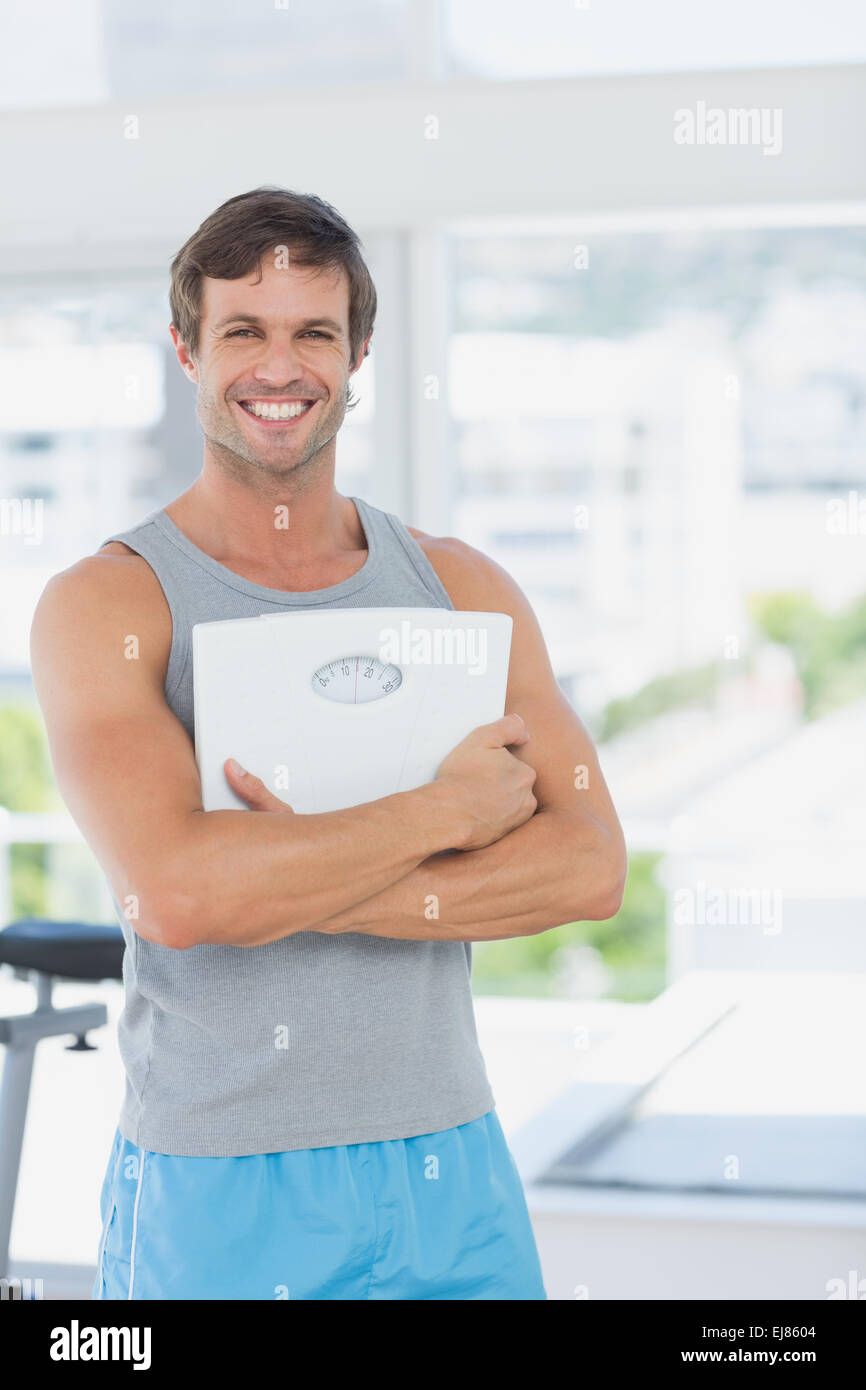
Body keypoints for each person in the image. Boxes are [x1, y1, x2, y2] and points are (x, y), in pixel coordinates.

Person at [30, 187, 627, 1301]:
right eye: (241, 331)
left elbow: (589, 866)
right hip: (220, 1180)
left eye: (312, 331)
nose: (278, 365)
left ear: (358, 353)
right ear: (186, 348)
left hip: (452, 1162)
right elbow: (176, 897)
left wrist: (273, 872)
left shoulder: (461, 586)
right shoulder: (110, 601)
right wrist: (444, 818)